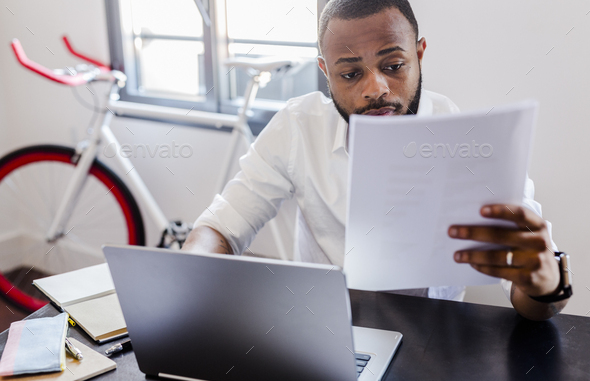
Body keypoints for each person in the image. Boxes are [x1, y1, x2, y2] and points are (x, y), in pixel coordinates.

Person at [182, 0, 569, 321]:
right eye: (350, 74)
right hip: (326, 337)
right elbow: (221, 228)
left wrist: (546, 284)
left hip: (438, 348)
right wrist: (185, 282)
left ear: (419, 54)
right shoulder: (298, 127)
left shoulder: (470, 141)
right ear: (325, 73)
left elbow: (536, 303)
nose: (375, 89)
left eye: (393, 66)